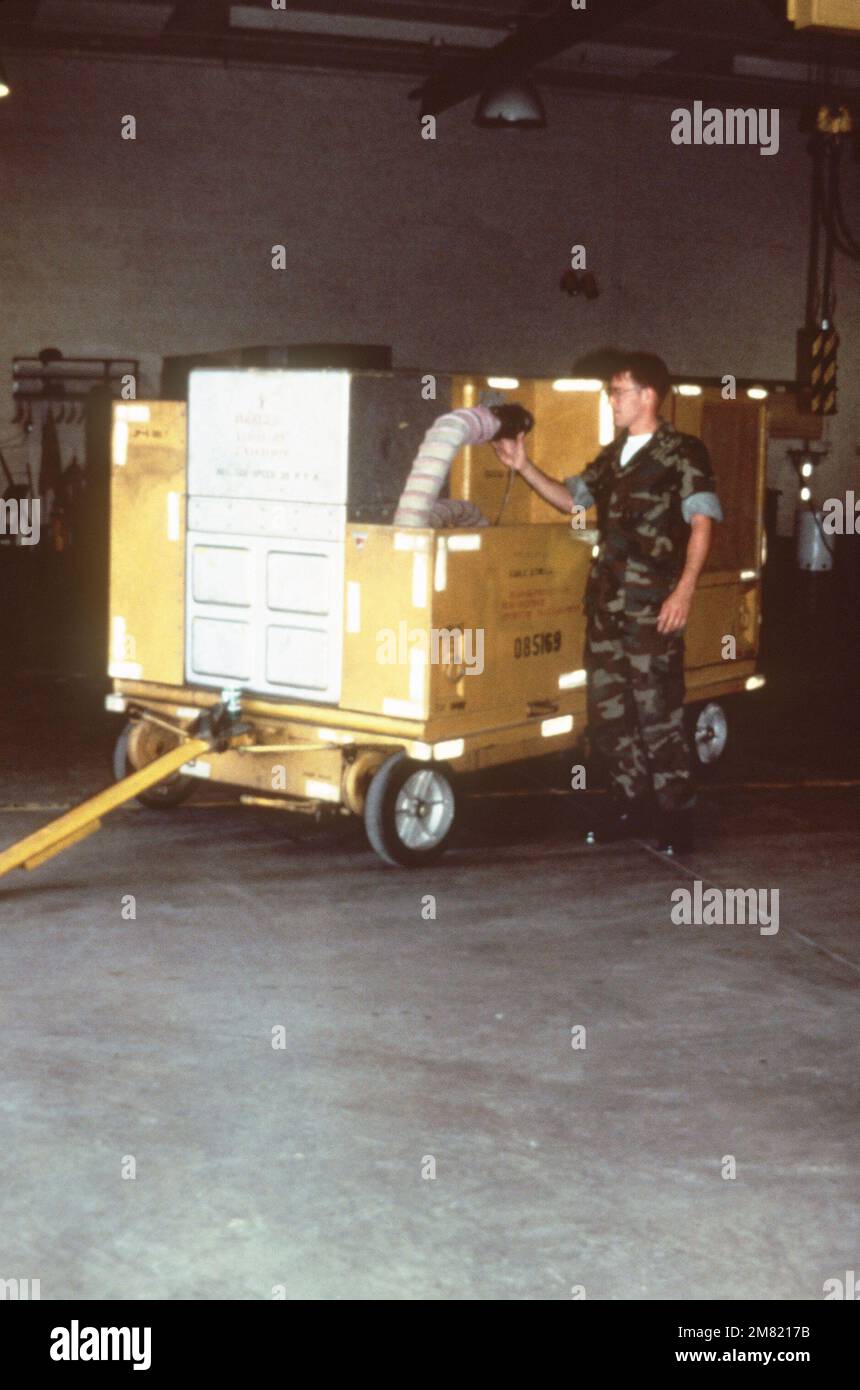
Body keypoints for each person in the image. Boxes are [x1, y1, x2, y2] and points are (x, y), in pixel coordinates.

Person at [491, 352, 723, 854]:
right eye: (611, 391)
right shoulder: (614, 455)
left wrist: (684, 590)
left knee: (657, 713)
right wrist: (523, 465)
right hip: (607, 608)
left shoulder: (684, 453)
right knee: (609, 713)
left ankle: (676, 817)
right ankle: (631, 806)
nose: (611, 399)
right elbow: (571, 500)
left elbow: (703, 524)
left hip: (652, 608)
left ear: (648, 396)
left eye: (618, 391)